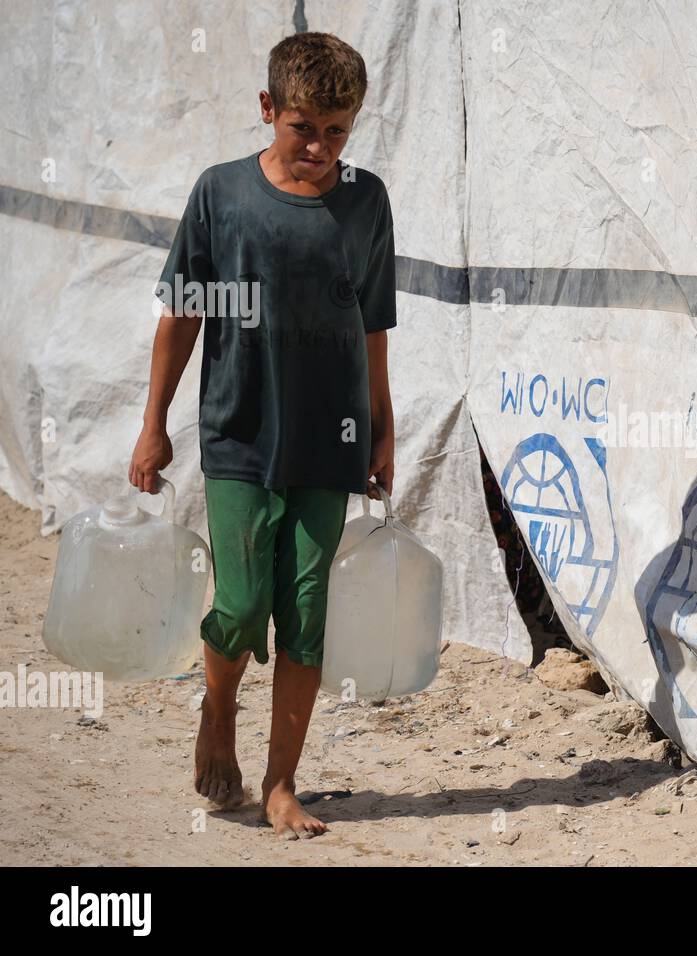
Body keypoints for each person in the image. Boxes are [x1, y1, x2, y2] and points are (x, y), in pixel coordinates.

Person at [129, 31, 397, 840]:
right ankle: (217, 708)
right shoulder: (221, 195)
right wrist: (153, 428)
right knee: (242, 609)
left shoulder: (365, 202)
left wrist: (382, 427)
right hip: (239, 430)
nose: (320, 147)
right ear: (268, 110)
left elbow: (373, 323)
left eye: (338, 131)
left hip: (329, 437)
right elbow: (180, 313)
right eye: (303, 127)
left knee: (305, 614)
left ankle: (282, 783)